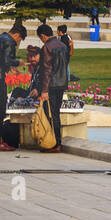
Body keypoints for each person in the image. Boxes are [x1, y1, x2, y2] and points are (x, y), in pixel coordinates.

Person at [31, 24, 69, 152]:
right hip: (61, 84)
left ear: (42, 36)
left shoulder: (47, 47)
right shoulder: (63, 45)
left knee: (51, 115)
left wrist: (44, 90)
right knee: (56, 113)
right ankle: (56, 142)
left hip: (51, 85)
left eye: (40, 38)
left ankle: (54, 143)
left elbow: (46, 70)